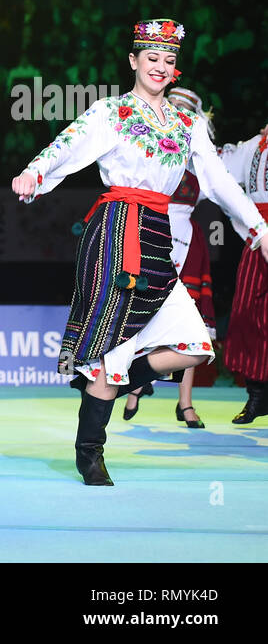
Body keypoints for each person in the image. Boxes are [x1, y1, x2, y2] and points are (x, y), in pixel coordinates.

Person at [11, 19, 268, 486]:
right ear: (133, 61)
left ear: (176, 70)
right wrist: (35, 172)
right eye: (151, 58)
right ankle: (90, 452)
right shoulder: (111, 111)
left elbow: (219, 181)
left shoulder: (188, 123)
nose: (160, 67)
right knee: (114, 345)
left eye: (169, 61)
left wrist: (258, 227)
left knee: (195, 347)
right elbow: (68, 145)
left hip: (157, 232)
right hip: (117, 232)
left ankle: (110, 383)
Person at [121, 86, 216, 427]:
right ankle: (135, 385)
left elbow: (221, 186)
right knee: (144, 310)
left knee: (190, 321)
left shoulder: (202, 155)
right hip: (150, 232)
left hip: (187, 241)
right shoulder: (147, 148)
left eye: (183, 109)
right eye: (171, 106)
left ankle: (185, 403)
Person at [217, 115, 268, 424]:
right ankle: (257, 396)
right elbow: (217, 162)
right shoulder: (252, 146)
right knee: (249, 311)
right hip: (258, 230)